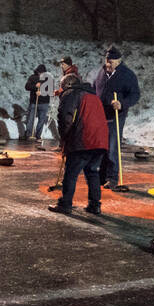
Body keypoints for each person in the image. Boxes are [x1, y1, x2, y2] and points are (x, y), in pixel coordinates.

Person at [49, 72, 108, 215]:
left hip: (84, 139)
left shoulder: (71, 94)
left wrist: (64, 138)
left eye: (61, 86)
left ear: (67, 85)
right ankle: (95, 205)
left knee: (71, 172)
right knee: (92, 172)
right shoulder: (93, 95)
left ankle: (65, 204)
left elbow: (65, 118)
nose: (61, 89)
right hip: (101, 140)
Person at [90, 46, 141, 187]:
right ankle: (101, 177)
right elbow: (94, 89)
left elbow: (135, 94)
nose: (108, 64)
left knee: (112, 147)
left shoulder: (127, 75)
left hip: (116, 115)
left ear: (118, 61)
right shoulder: (101, 73)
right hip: (100, 115)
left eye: (111, 62)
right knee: (101, 146)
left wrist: (122, 103)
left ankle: (112, 178)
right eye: (106, 61)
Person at [23, 64, 50, 143]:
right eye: (39, 72)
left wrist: (42, 92)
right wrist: (35, 86)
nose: (40, 74)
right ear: (37, 71)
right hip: (34, 102)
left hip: (44, 103)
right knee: (31, 119)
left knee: (41, 120)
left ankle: (38, 136)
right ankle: (28, 135)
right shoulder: (32, 77)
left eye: (42, 72)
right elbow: (27, 87)